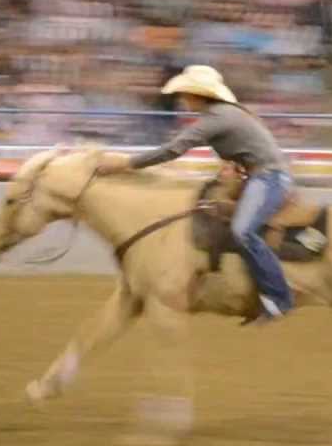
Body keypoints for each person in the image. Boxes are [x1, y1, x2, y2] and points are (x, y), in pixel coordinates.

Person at [96, 64, 295, 324]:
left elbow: (172, 150)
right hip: (260, 176)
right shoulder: (225, 114)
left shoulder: (216, 119)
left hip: (269, 178)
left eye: (185, 95)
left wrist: (126, 164)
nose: (182, 100)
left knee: (242, 231)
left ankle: (279, 298)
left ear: (198, 96)